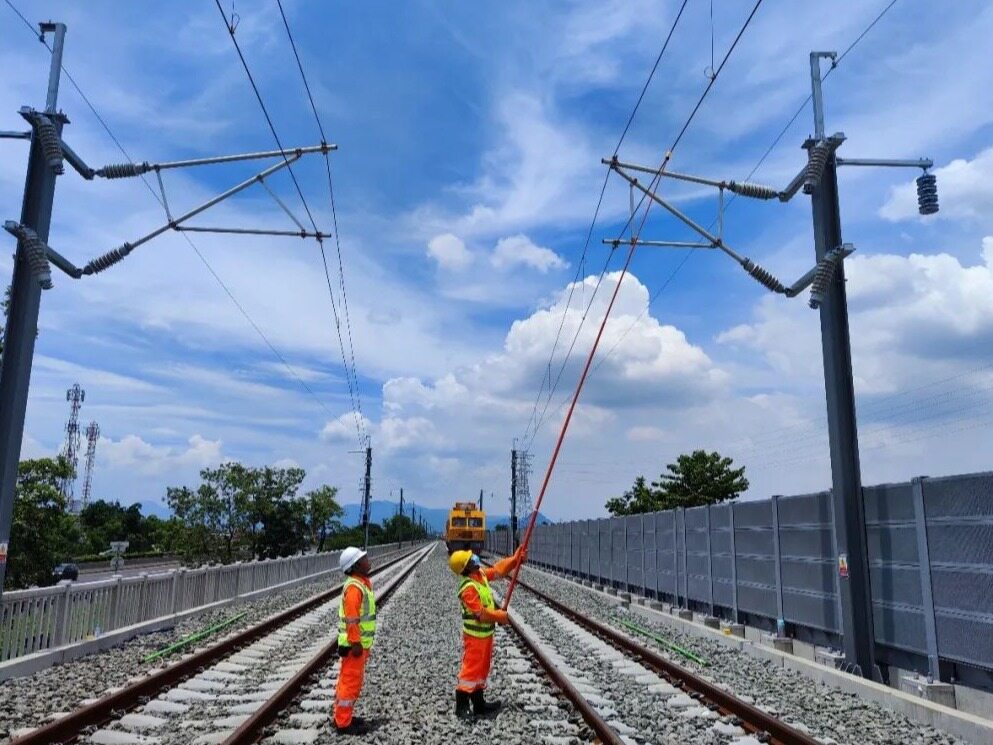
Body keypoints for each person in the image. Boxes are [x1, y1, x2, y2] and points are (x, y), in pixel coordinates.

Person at [449, 546, 526, 719]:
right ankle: (461, 705)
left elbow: (498, 570)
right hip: (475, 637)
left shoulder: (480, 575)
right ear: (465, 568)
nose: (474, 559)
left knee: (482, 669)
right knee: (471, 670)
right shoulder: (467, 588)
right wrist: (499, 616)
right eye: (470, 560)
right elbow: (480, 614)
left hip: (485, 636)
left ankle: (479, 704)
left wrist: (514, 560)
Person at [334, 546, 376, 735]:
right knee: (350, 682)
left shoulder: (360, 583)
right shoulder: (354, 587)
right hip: (354, 646)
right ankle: (343, 723)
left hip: (358, 644)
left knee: (351, 681)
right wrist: (356, 642)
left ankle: (344, 716)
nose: (368, 561)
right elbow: (352, 618)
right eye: (364, 559)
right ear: (356, 565)